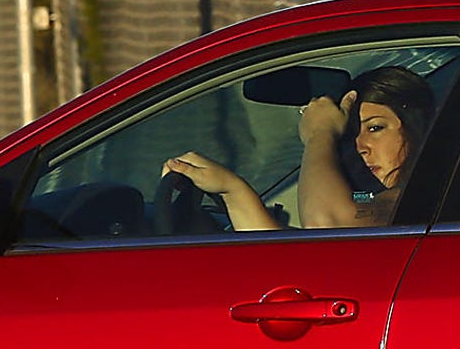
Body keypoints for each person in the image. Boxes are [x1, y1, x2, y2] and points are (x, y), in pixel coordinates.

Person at [162, 65, 437, 232]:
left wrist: (320, 134)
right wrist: (232, 190)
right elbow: (292, 252)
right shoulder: (368, 197)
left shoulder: (422, 199)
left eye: (376, 128)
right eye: (351, 135)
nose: (361, 146)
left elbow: (329, 226)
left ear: (418, 130)